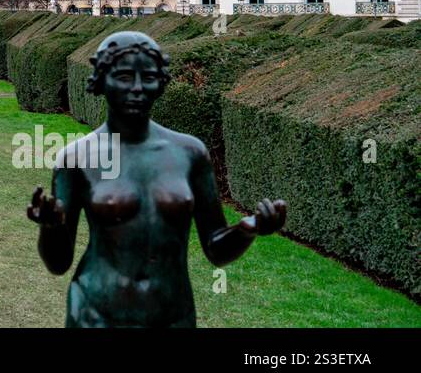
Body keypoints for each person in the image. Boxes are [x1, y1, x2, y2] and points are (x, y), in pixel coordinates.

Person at [27, 31, 287, 327]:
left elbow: (215, 249)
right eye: (124, 77)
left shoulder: (190, 153)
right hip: (96, 314)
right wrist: (51, 228)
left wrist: (247, 229)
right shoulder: (77, 159)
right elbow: (58, 263)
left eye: (148, 77)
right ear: (101, 80)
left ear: (160, 82)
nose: (137, 88)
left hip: (172, 315)